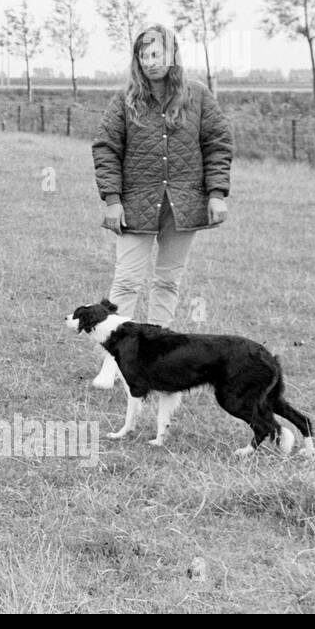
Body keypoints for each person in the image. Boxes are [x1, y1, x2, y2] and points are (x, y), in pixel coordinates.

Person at [88, 24, 234, 386]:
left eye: (157, 54)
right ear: (136, 59)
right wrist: (112, 200)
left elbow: (218, 143)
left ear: (172, 55)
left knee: (168, 281)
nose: (151, 62)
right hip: (136, 205)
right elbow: (106, 148)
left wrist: (216, 193)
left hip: (182, 206)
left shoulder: (198, 96)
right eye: (144, 54)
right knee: (126, 282)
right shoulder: (125, 99)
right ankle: (113, 358)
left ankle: (158, 357)